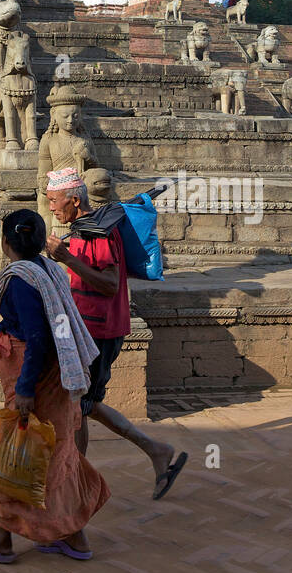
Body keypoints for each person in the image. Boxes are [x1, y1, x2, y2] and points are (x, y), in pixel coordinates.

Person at [0, 209, 110, 564]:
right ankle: (73, 535)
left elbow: (37, 337)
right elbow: (16, 323)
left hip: (36, 379)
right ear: (40, 243)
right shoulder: (48, 271)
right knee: (55, 453)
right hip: (55, 375)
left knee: (19, 453)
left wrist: (25, 389)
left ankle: (2, 537)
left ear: (5, 242)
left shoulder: (21, 279)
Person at [44, 168, 187, 500]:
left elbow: (109, 284)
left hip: (102, 329)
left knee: (81, 404)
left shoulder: (100, 234)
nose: (51, 208)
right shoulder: (81, 230)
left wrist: (65, 258)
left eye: (53, 201)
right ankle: (153, 452)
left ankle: (78, 480)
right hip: (87, 327)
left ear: (73, 200)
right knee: (82, 404)